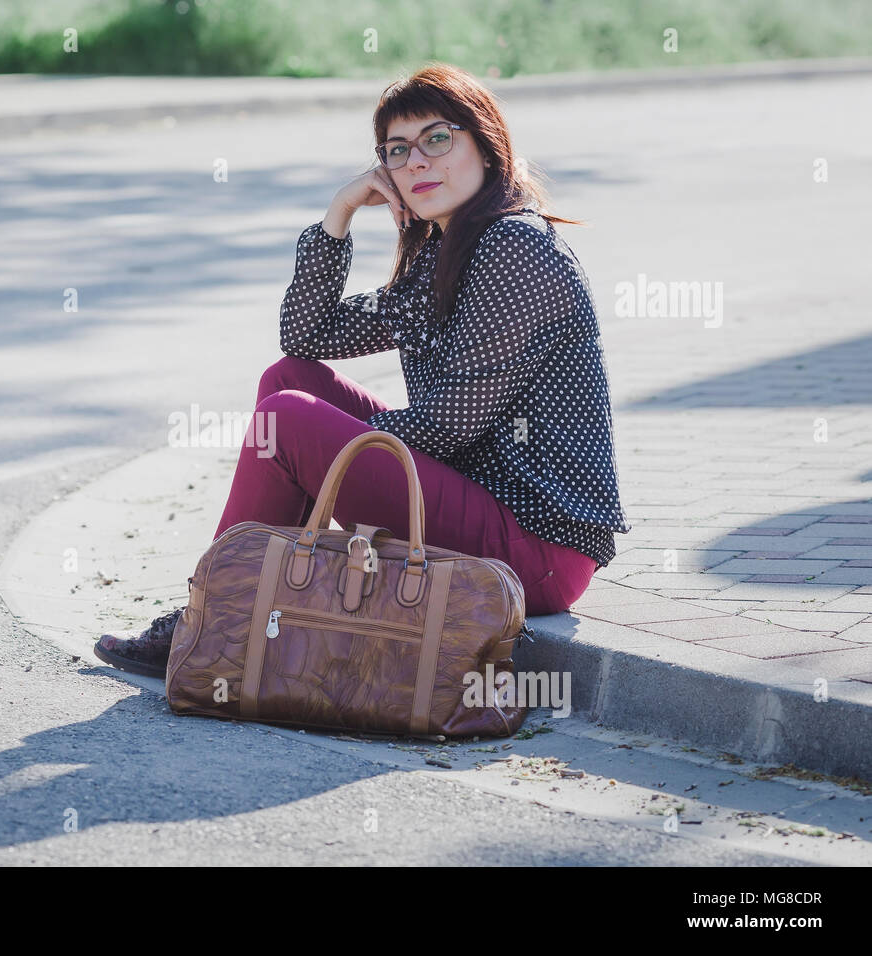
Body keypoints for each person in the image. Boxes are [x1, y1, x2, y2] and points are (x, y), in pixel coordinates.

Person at [94, 61, 631, 678]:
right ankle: (249, 610)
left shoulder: (516, 246)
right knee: (289, 381)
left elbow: (450, 427)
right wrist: (339, 214)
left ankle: (212, 617)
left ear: (486, 145)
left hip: (535, 549)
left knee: (289, 418)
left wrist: (326, 441)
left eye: (438, 138)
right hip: (483, 507)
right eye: (397, 151)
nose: (417, 162)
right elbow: (307, 336)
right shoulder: (444, 255)